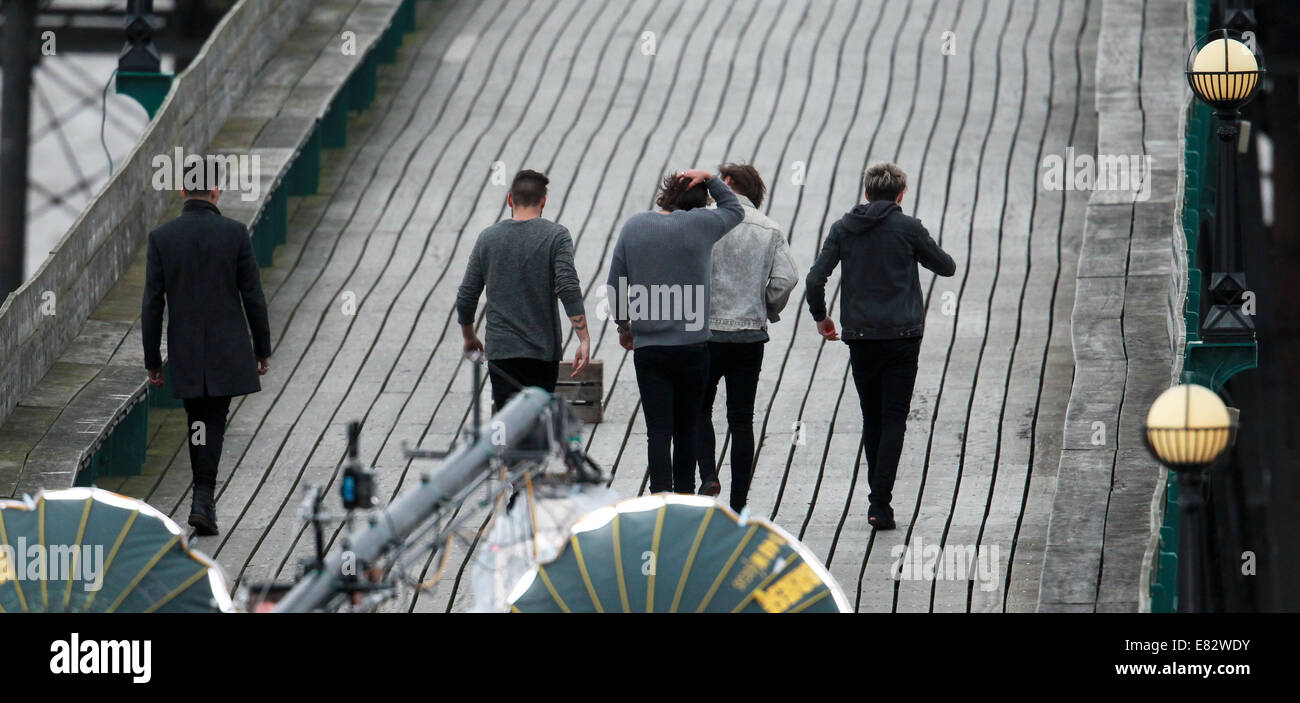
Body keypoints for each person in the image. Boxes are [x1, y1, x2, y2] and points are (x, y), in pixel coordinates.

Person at [805, 162, 955, 530]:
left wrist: (822, 317)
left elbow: (814, 279)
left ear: (867, 193)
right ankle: (879, 503)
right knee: (894, 418)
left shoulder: (843, 229)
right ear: (900, 194)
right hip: (903, 337)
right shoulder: (908, 228)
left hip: (861, 337)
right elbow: (946, 267)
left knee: (871, 416)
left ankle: (877, 500)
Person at [142, 165, 271, 537]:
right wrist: (261, 348)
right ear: (215, 191)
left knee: (197, 419)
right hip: (227, 348)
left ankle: (202, 497)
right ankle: (203, 498)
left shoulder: (162, 238)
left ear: (183, 191)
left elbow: (152, 304)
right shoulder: (234, 234)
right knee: (211, 420)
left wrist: (152, 359)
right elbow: (253, 297)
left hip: (186, 350)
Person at [607, 169, 744, 494]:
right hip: (693, 347)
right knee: (686, 427)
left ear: (666, 195)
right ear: (698, 204)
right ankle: (684, 496)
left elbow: (615, 284)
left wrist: (624, 326)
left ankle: (660, 496)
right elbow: (735, 209)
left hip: (650, 348)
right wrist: (710, 177)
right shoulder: (702, 224)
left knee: (658, 430)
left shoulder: (635, 226)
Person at [695, 163, 798, 511]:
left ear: (726, 184)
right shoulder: (769, 229)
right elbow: (786, 278)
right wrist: (765, 306)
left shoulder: (705, 222)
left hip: (706, 334)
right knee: (741, 420)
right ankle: (739, 502)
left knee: (700, 409)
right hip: (749, 337)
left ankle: (708, 476)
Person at [456, 169, 590, 413]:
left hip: (501, 352)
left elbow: (467, 294)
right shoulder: (556, 236)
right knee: (539, 421)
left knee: (507, 421)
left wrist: (469, 336)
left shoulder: (488, 238)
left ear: (510, 199)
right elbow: (568, 287)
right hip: (542, 352)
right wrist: (583, 338)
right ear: (543, 201)